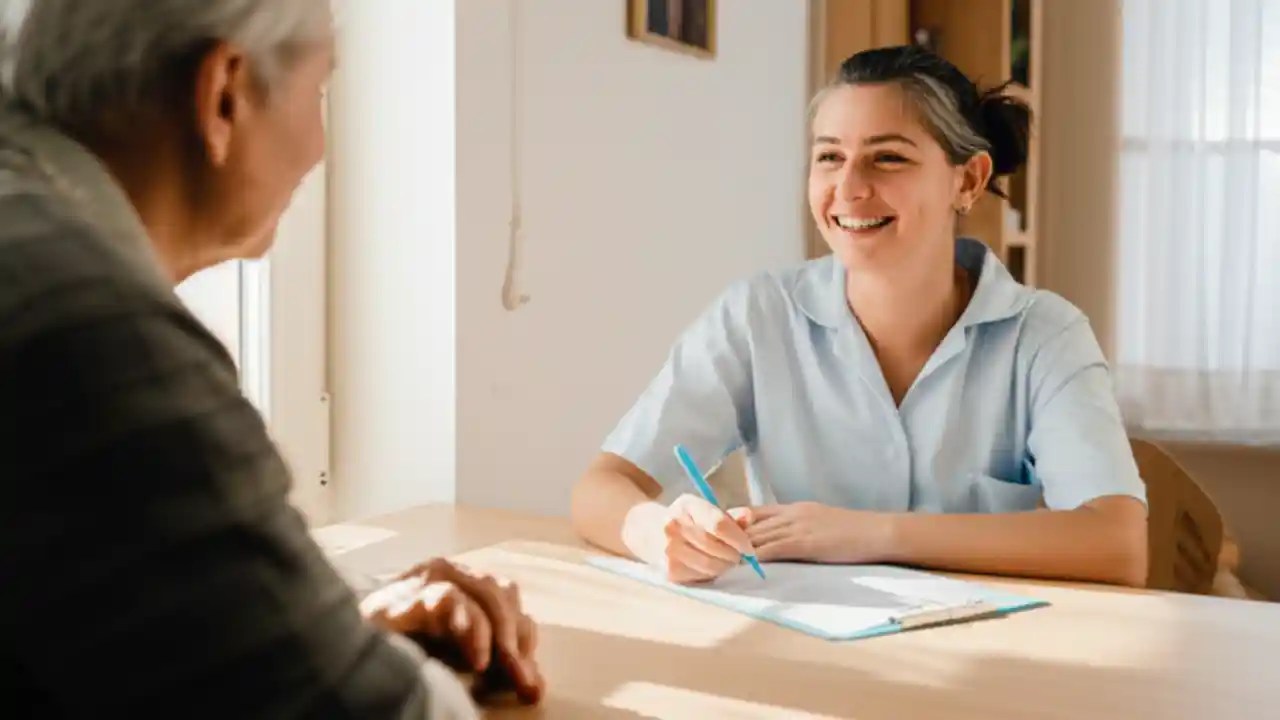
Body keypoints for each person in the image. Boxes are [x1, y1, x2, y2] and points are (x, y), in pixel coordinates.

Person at [0, 1, 541, 717]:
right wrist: (339, 650)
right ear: (223, 93)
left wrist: (319, 617)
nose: (319, 146)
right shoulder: (97, 326)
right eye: (319, 92)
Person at [571, 45, 1149, 588]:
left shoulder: (1045, 334)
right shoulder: (757, 315)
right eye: (829, 157)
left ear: (967, 180)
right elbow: (601, 488)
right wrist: (658, 533)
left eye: (887, 158)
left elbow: (1117, 542)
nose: (848, 188)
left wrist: (865, 533)